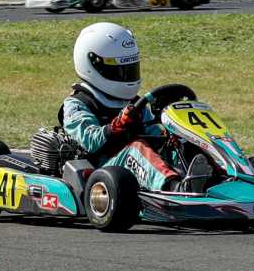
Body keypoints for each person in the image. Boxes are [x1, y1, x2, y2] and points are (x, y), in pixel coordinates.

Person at [57, 22, 198, 192]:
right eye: (119, 70)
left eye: (130, 69)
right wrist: (116, 127)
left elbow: (153, 135)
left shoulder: (135, 103)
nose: (126, 77)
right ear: (93, 64)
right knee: (136, 148)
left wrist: (171, 135)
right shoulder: (77, 103)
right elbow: (89, 141)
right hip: (102, 170)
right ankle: (176, 188)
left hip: (142, 163)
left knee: (182, 143)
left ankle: (213, 178)